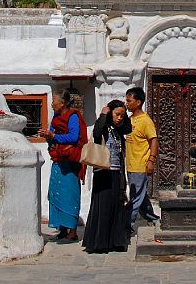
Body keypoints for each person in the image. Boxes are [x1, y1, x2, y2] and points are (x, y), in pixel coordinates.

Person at [82, 99, 132, 253]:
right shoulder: (104, 128)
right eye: (117, 114)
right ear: (110, 113)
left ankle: (115, 241)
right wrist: (103, 115)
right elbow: (96, 133)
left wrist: (123, 114)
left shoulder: (118, 131)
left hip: (116, 172)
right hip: (103, 172)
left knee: (116, 205)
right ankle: (100, 242)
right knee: (103, 206)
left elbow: (128, 128)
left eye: (122, 115)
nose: (119, 118)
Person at [37, 89, 86, 242]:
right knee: (56, 193)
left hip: (69, 163)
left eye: (54, 101)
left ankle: (72, 231)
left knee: (69, 194)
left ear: (62, 103)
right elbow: (53, 135)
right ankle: (62, 228)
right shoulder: (56, 118)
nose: (52, 104)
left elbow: (73, 137)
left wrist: (54, 136)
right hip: (58, 161)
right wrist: (47, 136)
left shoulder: (72, 117)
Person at [123, 86, 160, 230]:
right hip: (130, 164)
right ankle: (154, 218)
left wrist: (151, 160)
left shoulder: (146, 121)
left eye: (129, 100)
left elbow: (154, 141)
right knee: (141, 196)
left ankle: (127, 225)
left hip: (141, 164)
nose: (127, 103)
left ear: (138, 102)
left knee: (135, 197)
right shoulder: (129, 120)